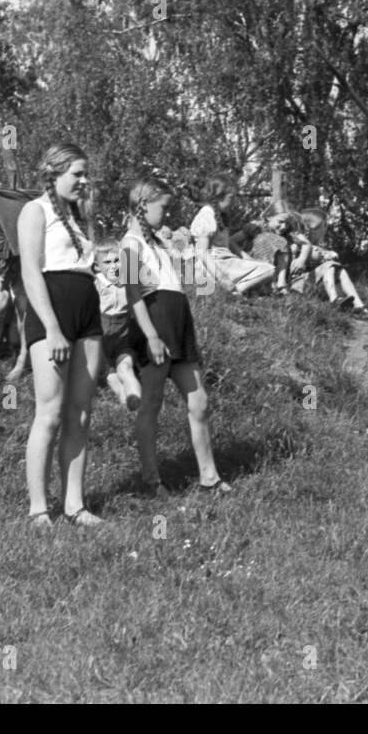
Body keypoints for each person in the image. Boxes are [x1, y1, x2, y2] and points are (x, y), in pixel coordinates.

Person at [121, 178, 230, 496]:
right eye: (163, 208)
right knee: (152, 402)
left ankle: (209, 477)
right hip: (154, 322)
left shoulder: (156, 243)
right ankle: (151, 480)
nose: (167, 215)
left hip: (178, 319)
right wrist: (152, 336)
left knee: (200, 402)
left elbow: (181, 278)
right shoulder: (129, 244)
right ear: (143, 204)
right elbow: (133, 296)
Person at [18, 142, 104, 528]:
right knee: (50, 413)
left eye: (86, 175)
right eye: (77, 174)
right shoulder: (34, 211)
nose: (84, 181)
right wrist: (52, 328)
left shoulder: (78, 218)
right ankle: (39, 508)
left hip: (87, 310)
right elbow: (31, 271)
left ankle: (75, 505)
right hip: (52, 311)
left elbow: (84, 266)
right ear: (53, 173)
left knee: (81, 413)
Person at [190, 174, 276, 297]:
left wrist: (247, 258)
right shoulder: (206, 216)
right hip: (213, 266)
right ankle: (235, 291)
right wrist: (221, 277)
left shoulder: (218, 216)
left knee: (265, 278)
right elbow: (201, 251)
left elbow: (229, 243)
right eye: (231, 198)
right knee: (269, 270)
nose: (233, 202)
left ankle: (247, 291)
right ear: (218, 196)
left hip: (226, 261)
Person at [92, 238, 145, 410]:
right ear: (98, 266)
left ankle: (137, 403)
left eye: (117, 261)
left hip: (123, 339)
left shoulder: (127, 283)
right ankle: (128, 406)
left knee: (125, 369)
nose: (113, 266)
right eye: (107, 262)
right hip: (102, 342)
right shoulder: (97, 283)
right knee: (112, 378)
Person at [298, 206, 368, 315]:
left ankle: (358, 304)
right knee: (330, 265)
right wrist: (326, 255)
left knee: (341, 270)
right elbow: (311, 255)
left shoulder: (316, 246)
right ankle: (334, 299)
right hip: (299, 284)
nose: (326, 228)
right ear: (314, 228)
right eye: (324, 225)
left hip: (309, 281)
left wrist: (327, 254)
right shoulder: (302, 244)